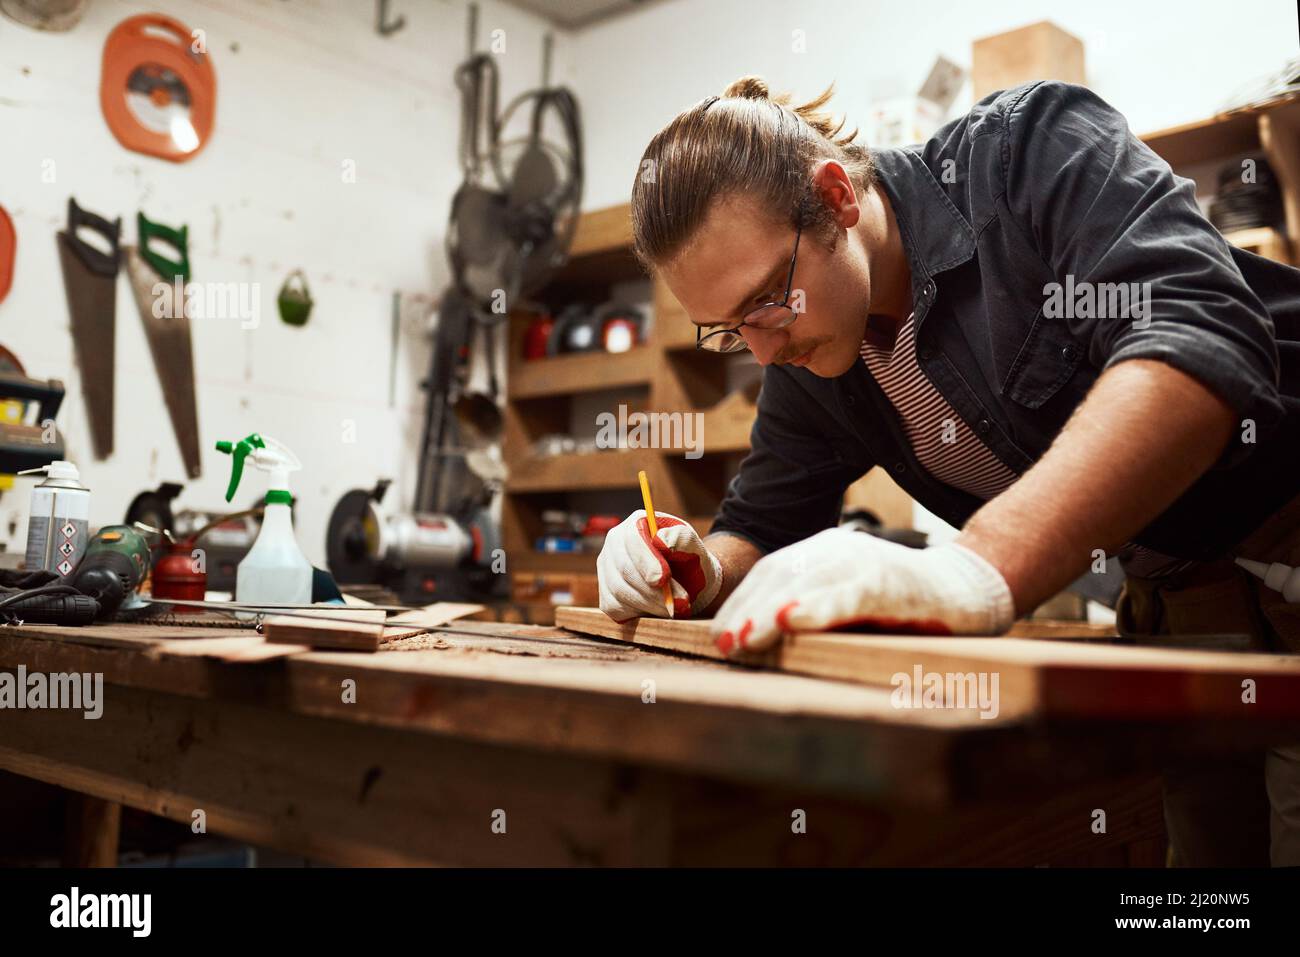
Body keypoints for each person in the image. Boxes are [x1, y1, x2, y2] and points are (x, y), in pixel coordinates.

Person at [595, 76, 1300, 866]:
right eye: (727, 329)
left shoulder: (1026, 152)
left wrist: (978, 568)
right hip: (1186, 614)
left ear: (834, 197)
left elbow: (1200, 333)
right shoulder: (811, 352)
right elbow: (760, 525)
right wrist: (693, 567)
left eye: (765, 301)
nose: (761, 350)